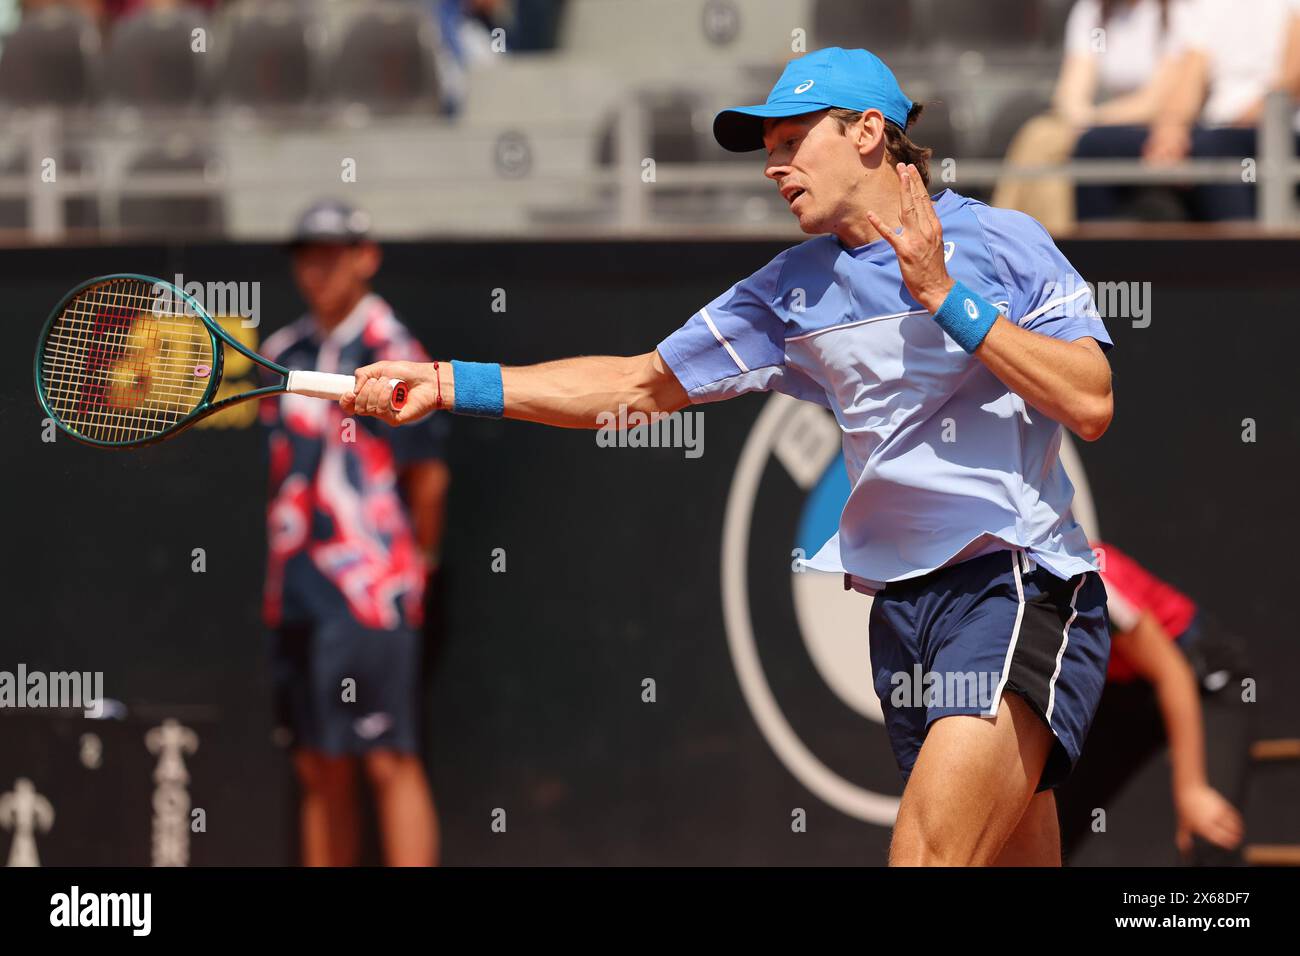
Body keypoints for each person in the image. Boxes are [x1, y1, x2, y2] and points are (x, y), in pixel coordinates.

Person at [342, 47, 1116, 866]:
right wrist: (447, 381)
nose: (774, 167)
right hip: (901, 615)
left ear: (865, 132)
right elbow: (639, 386)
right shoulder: (788, 289)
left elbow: (1092, 401)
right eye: (768, 151)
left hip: (1014, 583)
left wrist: (945, 298)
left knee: (925, 857)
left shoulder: (1001, 241)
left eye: (790, 142)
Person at [262, 199, 451, 866]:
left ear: (365, 257)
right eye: (307, 256)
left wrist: (419, 564)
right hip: (296, 590)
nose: (317, 269)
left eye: (332, 254)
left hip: (372, 590)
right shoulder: (281, 354)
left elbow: (427, 475)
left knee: (386, 757)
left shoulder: (394, 353)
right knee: (318, 763)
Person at [1057, 541, 1250, 864]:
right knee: (1049, 826)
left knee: (1206, 831)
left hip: (1197, 676)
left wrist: (1191, 790)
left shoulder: (1082, 573)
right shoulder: (991, 590)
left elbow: (1172, 672)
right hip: (1122, 691)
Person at [1077, 0, 1300, 221]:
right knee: (1095, 144)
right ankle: (1094, 253)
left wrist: (1234, 123)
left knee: (1214, 148)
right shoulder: (1208, 6)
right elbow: (1192, 75)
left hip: (1278, 131)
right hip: (1214, 131)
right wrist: (1170, 132)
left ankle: (1244, 253)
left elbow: (1292, 82)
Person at [994, 0, 1189, 232]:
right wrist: (1083, 120)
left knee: (1043, 140)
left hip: (1153, 129)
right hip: (1100, 123)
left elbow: (1156, 101)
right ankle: (1042, 242)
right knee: (1039, 137)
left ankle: (1002, 233)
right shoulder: (1093, 10)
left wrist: (1093, 122)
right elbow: (1070, 90)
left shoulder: (1178, 13)